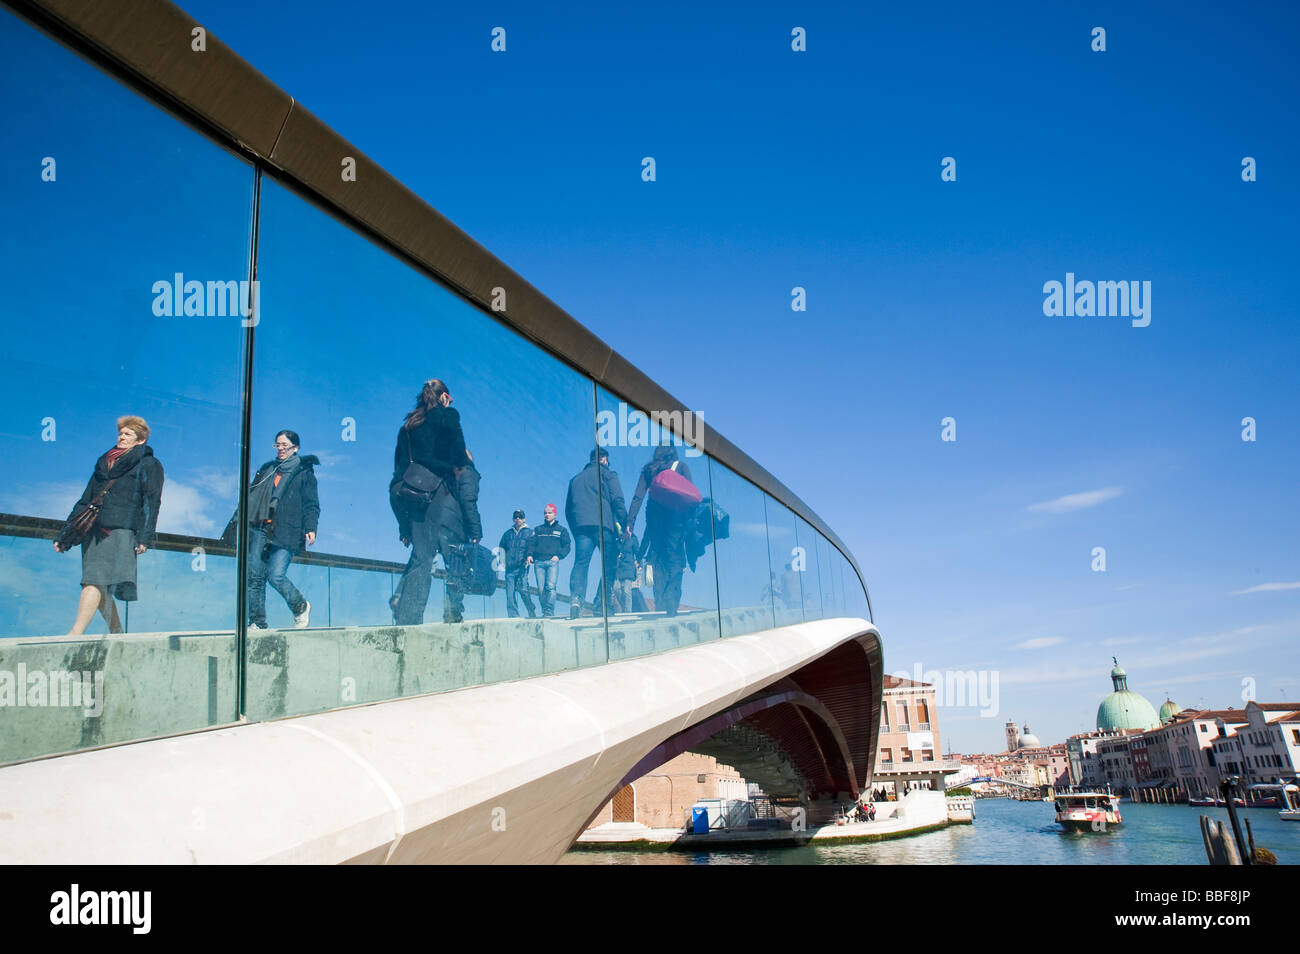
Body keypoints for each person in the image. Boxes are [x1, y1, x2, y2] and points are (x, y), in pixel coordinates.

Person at [54, 415, 164, 636]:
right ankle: (117, 633)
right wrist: (66, 534)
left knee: (92, 581)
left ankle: (75, 633)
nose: (121, 437)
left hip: (120, 528)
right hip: (93, 528)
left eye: (128, 434)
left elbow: (152, 501)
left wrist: (145, 536)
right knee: (100, 585)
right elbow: (86, 499)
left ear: (140, 440)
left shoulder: (149, 464)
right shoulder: (104, 462)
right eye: (120, 433)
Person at [392, 379, 469, 625]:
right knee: (435, 557)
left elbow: (399, 469)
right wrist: (447, 413)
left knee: (421, 555)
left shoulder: (408, 426)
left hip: (407, 492)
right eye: (450, 398)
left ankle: (404, 615)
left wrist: (403, 525)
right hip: (435, 492)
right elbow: (459, 456)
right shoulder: (447, 417)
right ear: (444, 397)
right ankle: (421, 621)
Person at [243, 430, 319, 630]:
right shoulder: (268, 469)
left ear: (296, 448)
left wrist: (311, 527)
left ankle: (300, 606)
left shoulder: (304, 472)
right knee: (255, 576)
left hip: (287, 529)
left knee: (275, 575)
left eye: (285, 445)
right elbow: (250, 497)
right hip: (260, 526)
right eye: (278, 444)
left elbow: (311, 504)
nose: (281, 448)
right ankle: (257, 622)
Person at [630, 444, 693, 617]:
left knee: (657, 557)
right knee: (674, 557)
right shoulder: (680, 467)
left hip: (654, 519)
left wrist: (630, 522)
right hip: (676, 519)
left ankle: (660, 601)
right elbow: (691, 493)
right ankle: (672, 603)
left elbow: (638, 497)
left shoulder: (649, 469)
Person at [565, 446, 627, 619]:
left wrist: (576, 529)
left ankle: (576, 600)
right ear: (604, 459)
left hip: (582, 527)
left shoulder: (575, 479)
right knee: (609, 565)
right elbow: (617, 500)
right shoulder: (608, 474)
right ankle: (603, 605)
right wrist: (625, 523)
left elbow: (568, 510)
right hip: (604, 526)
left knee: (581, 563)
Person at [527, 503, 570, 617]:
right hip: (539, 563)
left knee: (550, 587)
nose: (547, 515)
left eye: (549, 513)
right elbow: (532, 543)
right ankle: (545, 609)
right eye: (545, 512)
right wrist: (530, 555)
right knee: (541, 589)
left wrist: (558, 556)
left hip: (552, 562)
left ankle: (549, 610)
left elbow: (567, 545)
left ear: (555, 514)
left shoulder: (561, 530)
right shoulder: (538, 529)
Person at [498, 509, 536, 618]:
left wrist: (530, 558)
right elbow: (501, 548)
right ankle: (513, 615)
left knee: (523, 589)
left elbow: (533, 547)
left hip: (522, 567)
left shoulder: (530, 532)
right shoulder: (507, 534)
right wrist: (502, 561)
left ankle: (530, 607)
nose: (518, 519)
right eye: (516, 517)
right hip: (509, 568)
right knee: (510, 594)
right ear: (513, 519)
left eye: (520, 516)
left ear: (524, 519)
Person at [611, 526, 640, 614]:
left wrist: (639, 564)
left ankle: (628, 612)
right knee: (616, 588)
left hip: (628, 567)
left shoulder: (632, 540)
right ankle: (624, 607)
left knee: (627, 590)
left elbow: (638, 553)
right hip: (617, 568)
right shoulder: (616, 542)